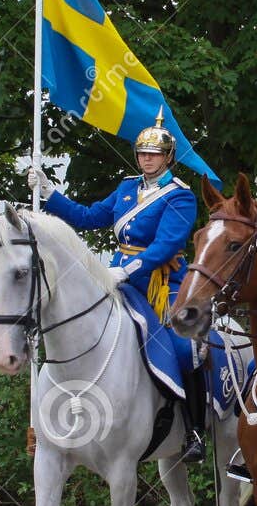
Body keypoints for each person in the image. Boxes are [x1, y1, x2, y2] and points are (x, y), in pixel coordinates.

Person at [27, 115, 208, 462]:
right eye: (142, 153)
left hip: (160, 284)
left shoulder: (180, 196)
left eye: (154, 154)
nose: (147, 159)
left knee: (186, 349)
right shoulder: (126, 188)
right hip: (114, 278)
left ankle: (194, 431)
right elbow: (87, 217)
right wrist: (49, 193)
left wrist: (127, 270)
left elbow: (166, 246)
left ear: (168, 157)